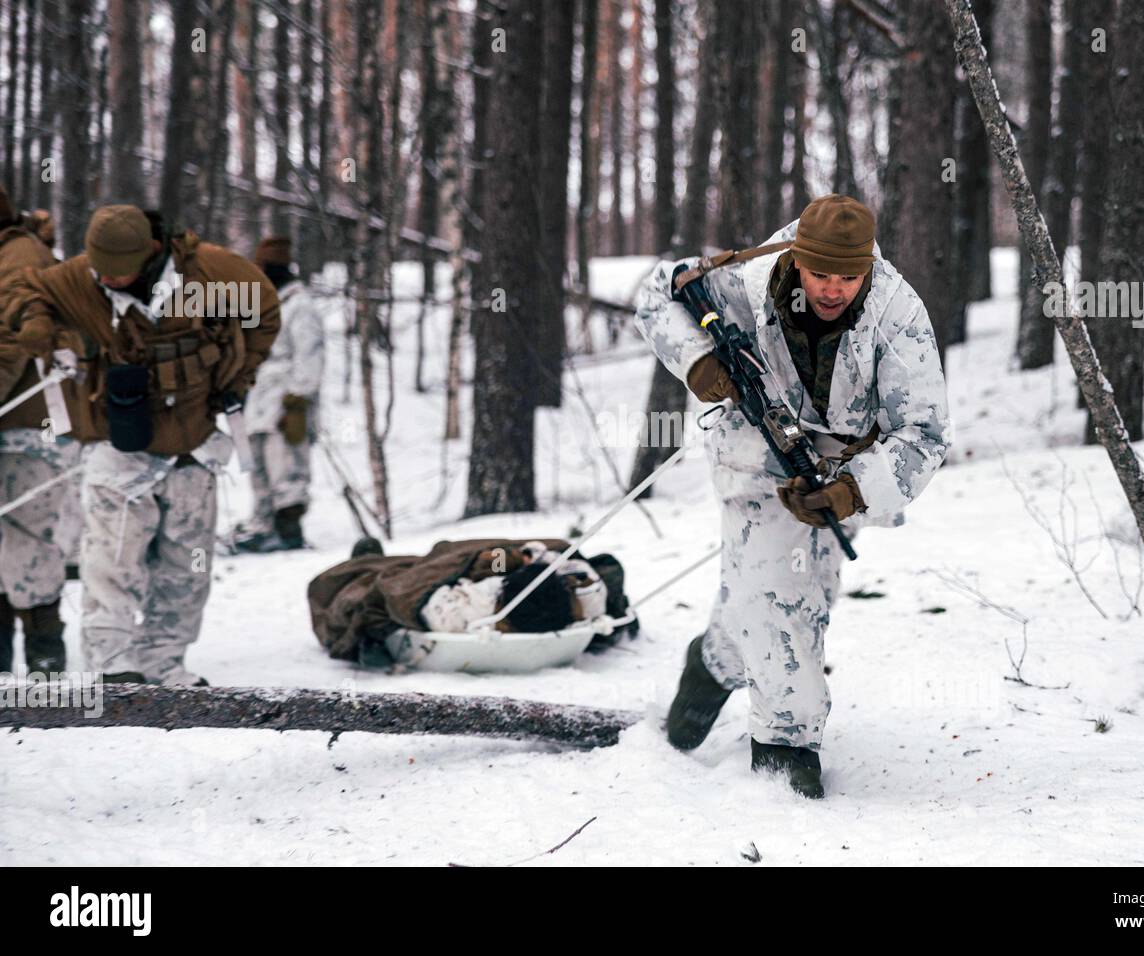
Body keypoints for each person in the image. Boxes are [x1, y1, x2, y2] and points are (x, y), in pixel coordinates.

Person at [632, 194, 952, 798]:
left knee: (795, 595)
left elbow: (925, 434)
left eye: (849, 277)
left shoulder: (898, 313)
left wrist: (850, 493)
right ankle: (785, 757)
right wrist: (699, 362)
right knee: (782, 602)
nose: (834, 290)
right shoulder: (745, 279)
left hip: (834, 478)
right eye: (821, 274)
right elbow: (656, 293)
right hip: (754, 463)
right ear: (797, 258)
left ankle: (716, 662)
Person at [0, 204, 281, 685]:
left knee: (186, 565)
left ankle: (165, 664)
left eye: (117, 272)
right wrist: (36, 319)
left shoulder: (211, 276)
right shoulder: (83, 277)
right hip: (117, 444)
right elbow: (27, 286)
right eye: (98, 270)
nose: (105, 280)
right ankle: (112, 668)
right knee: (111, 561)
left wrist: (238, 376)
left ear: (151, 251)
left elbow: (265, 313)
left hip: (193, 441)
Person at [308, 537, 629, 669]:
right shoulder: (579, 602)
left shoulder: (464, 609)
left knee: (367, 580)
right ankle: (369, 556)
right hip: (463, 573)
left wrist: (504, 562)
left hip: (440, 584)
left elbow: (402, 593)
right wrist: (519, 559)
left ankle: (367, 558)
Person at [0, 184, 73, 677]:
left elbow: (15, 340)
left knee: (29, 536)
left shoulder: (18, 257)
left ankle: (45, 652)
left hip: (26, 422)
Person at [232, 236, 325, 552]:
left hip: (285, 402)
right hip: (257, 399)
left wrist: (298, 398)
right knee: (258, 467)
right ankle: (262, 526)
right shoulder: (261, 304)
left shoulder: (300, 306)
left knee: (286, 467)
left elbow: (309, 355)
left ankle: (288, 532)